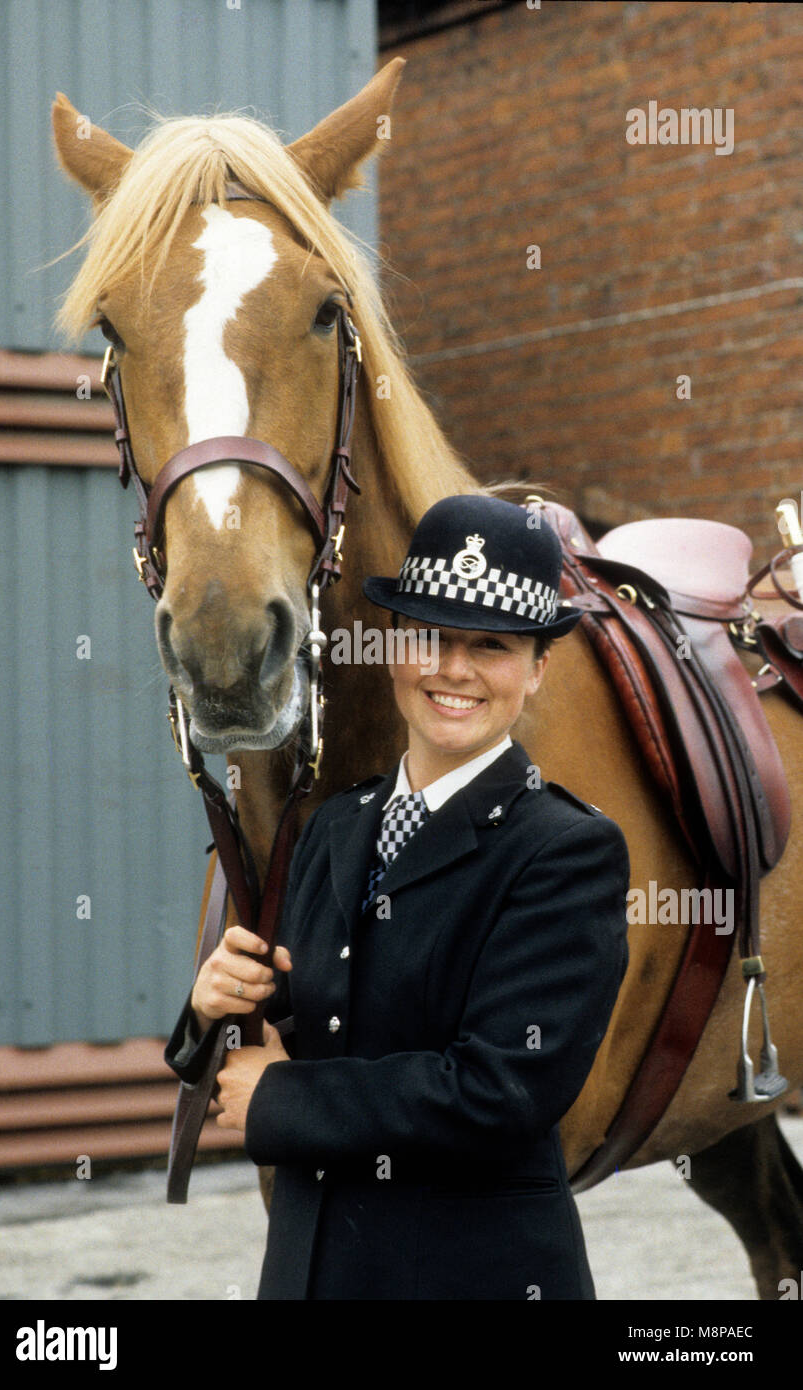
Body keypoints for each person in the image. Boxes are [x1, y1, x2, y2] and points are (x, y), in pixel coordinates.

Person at [165, 494, 630, 1301]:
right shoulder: (335, 826)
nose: (451, 669)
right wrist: (210, 1014)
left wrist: (284, 1097)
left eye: (489, 645)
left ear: (536, 668)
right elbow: (281, 1041)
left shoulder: (565, 853)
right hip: (310, 1274)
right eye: (429, 637)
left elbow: (499, 1094)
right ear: (389, 648)